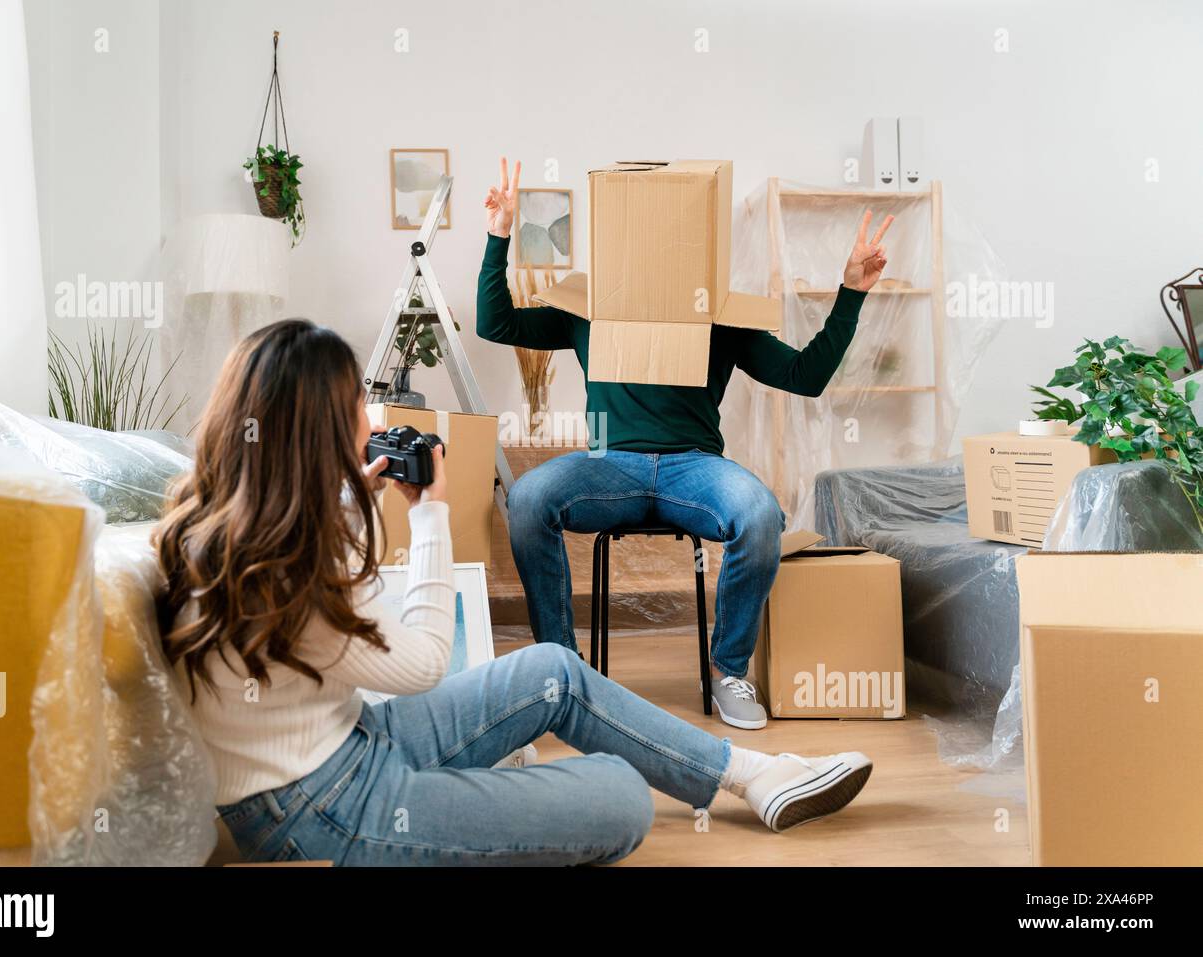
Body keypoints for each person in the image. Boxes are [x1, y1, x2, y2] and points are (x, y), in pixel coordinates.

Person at [155, 319, 873, 866]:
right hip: (326, 808)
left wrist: (347, 500)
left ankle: (753, 774)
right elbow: (422, 662)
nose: (370, 422)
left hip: (352, 744)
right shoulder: (284, 566)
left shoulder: (220, 526)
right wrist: (428, 514)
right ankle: (724, 776)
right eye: (355, 409)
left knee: (554, 670)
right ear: (312, 435)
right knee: (621, 795)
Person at [478, 158, 894, 730]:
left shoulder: (721, 316)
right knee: (528, 499)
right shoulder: (590, 308)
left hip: (693, 469)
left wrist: (850, 293)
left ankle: (728, 672)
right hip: (608, 465)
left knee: (758, 513)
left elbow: (806, 377)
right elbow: (496, 325)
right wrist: (499, 236)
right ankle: (562, 669)